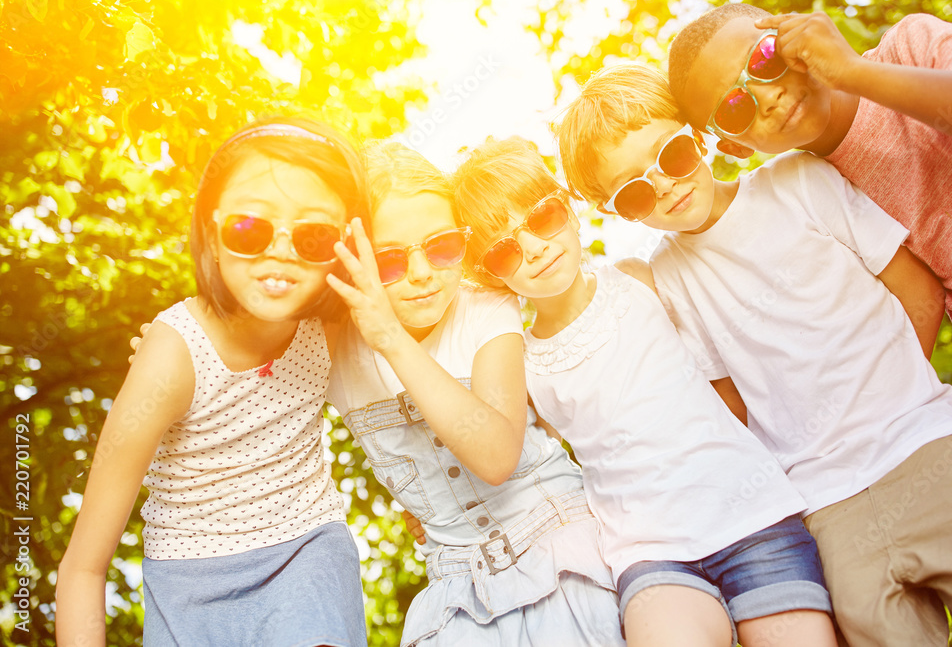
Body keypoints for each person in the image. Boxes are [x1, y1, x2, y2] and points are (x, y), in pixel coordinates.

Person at [556, 61, 952, 647]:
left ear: (699, 136)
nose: (663, 184)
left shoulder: (799, 183)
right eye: (634, 190)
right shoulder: (669, 279)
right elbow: (730, 404)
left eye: (671, 155)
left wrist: (894, 398)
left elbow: (916, 287)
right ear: (617, 210)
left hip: (926, 442)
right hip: (826, 505)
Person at [451, 135, 837, 647]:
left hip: (751, 514)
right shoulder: (523, 365)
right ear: (489, 275)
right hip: (651, 554)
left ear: (568, 208)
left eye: (541, 218)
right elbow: (523, 464)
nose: (534, 248)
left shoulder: (639, 280)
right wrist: (439, 511)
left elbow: (724, 381)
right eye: (504, 250)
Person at [55, 118, 368, 647]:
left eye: (314, 236)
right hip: (188, 578)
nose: (281, 251)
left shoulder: (337, 327)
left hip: (307, 549)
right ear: (211, 234)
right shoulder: (171, 356)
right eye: (250, 228)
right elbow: (83, 569)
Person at [323, 142, 623, 646]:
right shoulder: (332, 347)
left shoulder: (485, 309)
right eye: (390, 259)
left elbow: (496, 456)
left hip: (558, 544)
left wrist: (390, 339)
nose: (422, 272)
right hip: (457, 585)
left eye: (441, 247)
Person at [666, 3, 952, 399]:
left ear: (795, 35)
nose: (768, 97)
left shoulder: (909, 49)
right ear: (736, 147)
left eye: (764, 59)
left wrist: (851, 72)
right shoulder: (810, 199)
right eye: (734, 108)